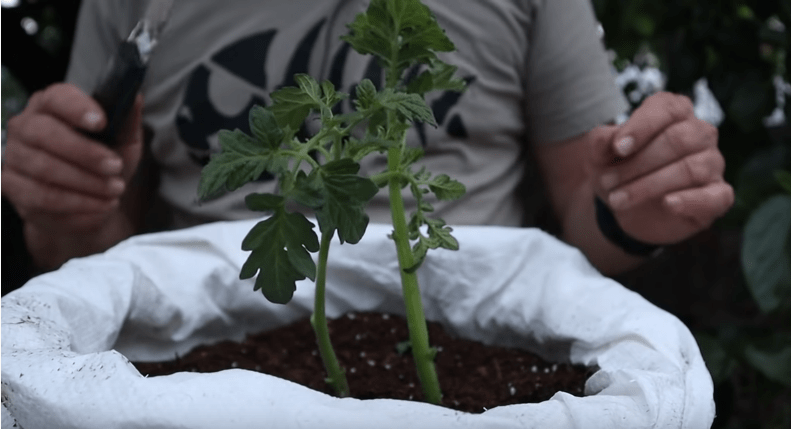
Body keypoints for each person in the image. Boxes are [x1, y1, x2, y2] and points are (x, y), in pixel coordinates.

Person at [1, 0, 733, 276]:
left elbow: (587, 198)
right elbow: (91, 244)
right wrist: (60, 206)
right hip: (198, 370)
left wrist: (633, 206)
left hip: (477, 353)